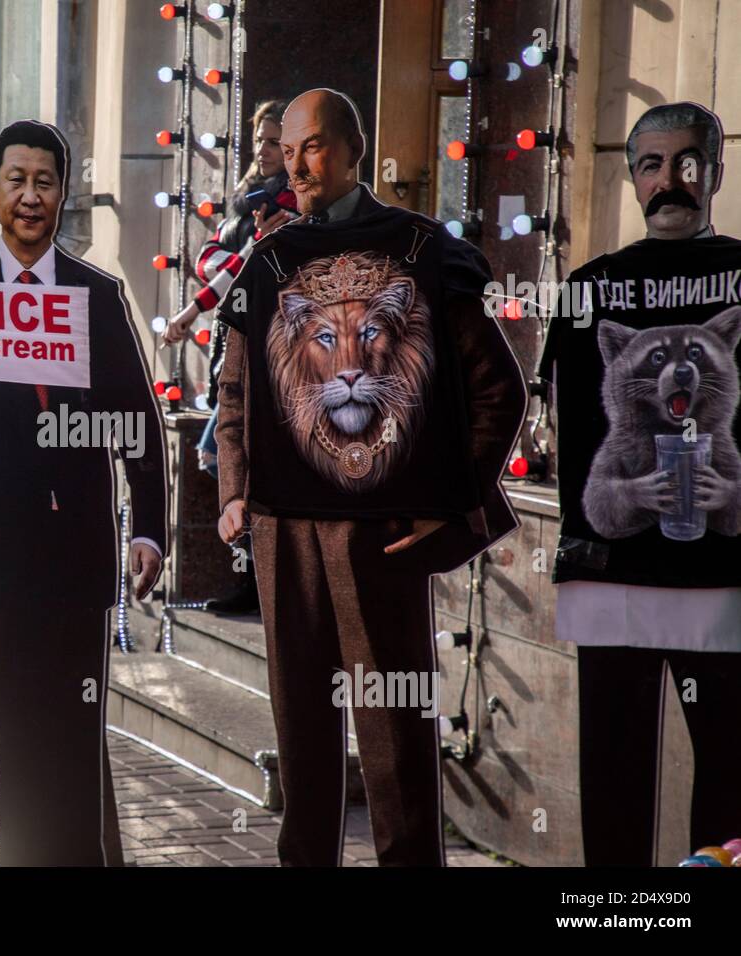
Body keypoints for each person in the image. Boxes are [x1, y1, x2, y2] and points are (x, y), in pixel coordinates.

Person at [214, 88, 527, 865]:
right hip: (285, 530)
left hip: (380, 535)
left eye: (315, 146)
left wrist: (453, 501)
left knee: (395, 755)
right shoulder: (271, 257)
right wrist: (232, 489)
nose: (299, 164)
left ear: (355, 148)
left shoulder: (422, 250)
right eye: (288, 150)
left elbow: (500, 389)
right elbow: (235, 388)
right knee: (303, 744)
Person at [0, 120, 169, 865]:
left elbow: (139, 419)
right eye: (17, 179)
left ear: (64, 194)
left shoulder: (97, 294)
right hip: (3, 542)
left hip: (85, 543)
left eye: (46, 181)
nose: (31, 196)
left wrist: (150, 528)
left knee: (79, 722)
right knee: (19, 728)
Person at [538, 101, 741, 865]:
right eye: (651, 165)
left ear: (714, 171)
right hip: (611, 574)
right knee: (615, 793)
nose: (669, 182)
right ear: (630, 179)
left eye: (687, 162)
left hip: (728, 578)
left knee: (729, 795)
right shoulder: (588, 291)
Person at [162, 99, 298, 616]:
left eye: (274, 142)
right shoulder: (252, 199)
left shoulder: (293, 206)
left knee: (234, 462)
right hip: (236, 349)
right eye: (259, 140)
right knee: (229, 462)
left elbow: (238, 266)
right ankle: (252, 583)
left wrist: (192, 310)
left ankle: (263, 587)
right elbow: (210, 257)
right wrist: (233, 265)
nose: (263, 151)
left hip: (275, 353)